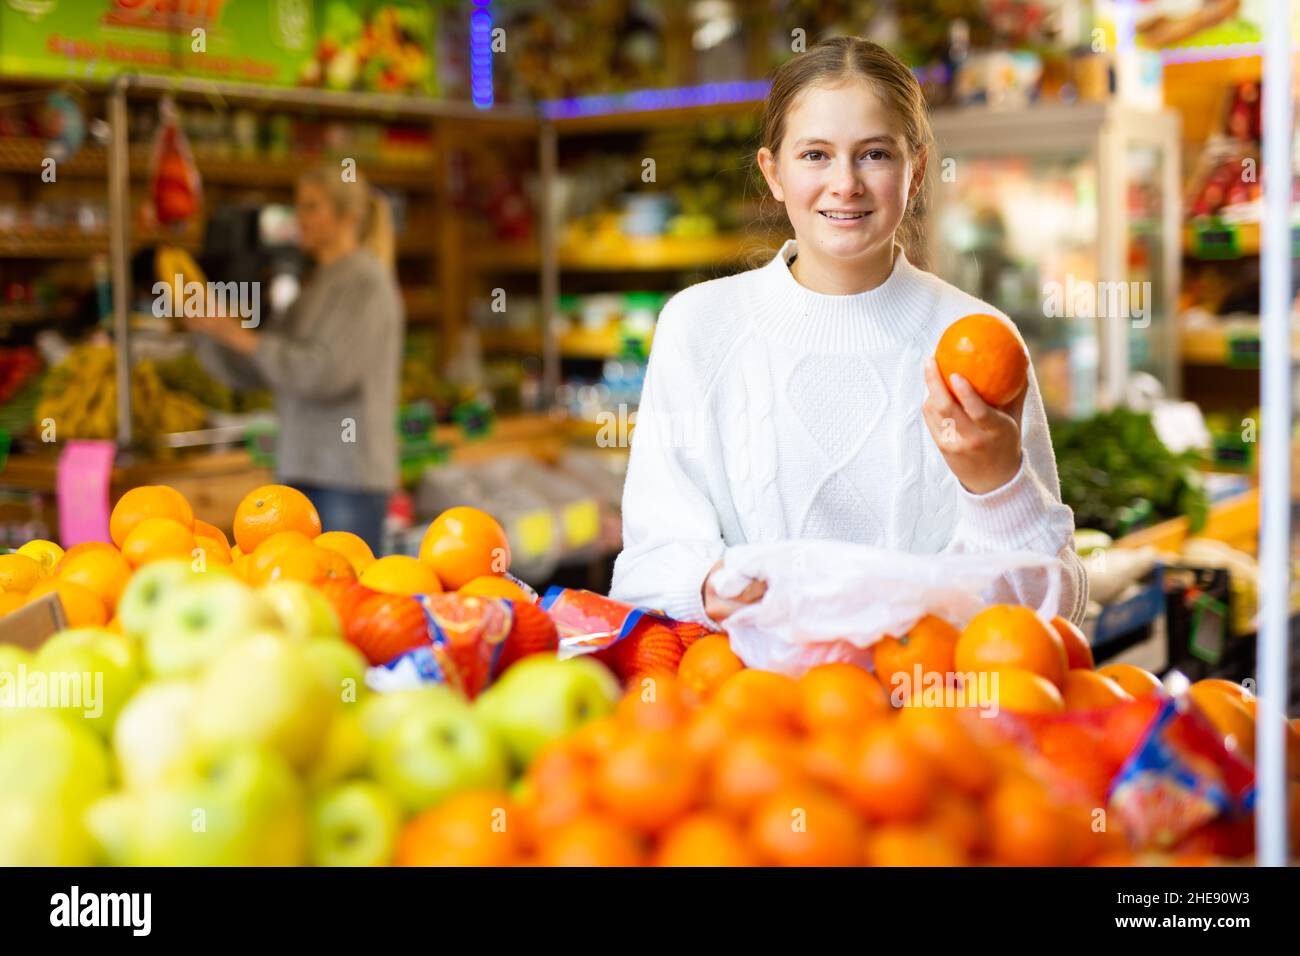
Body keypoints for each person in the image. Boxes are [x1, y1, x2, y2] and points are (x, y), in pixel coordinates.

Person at [609, 37, 1088, 629]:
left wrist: (996, 486)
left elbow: (1049, 608)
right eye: (814, 155)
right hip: (748, 710)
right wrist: (711, 588)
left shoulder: (978, 338)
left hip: (930, 711)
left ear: (914, 172)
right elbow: (646, 568)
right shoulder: (697, 328)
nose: (845, 184)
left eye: (875, 154)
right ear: (773, 172)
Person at [188, 165, 404, 551]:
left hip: (347, 478)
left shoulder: (366, 282)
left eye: (311, 207)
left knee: (344, 598)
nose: (298, 218)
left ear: (348, 217)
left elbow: (326, 372)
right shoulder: (316, 283)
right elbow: (261, 369)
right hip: (301, 470)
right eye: (298, 207)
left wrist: (237, 336)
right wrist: (209, 331)